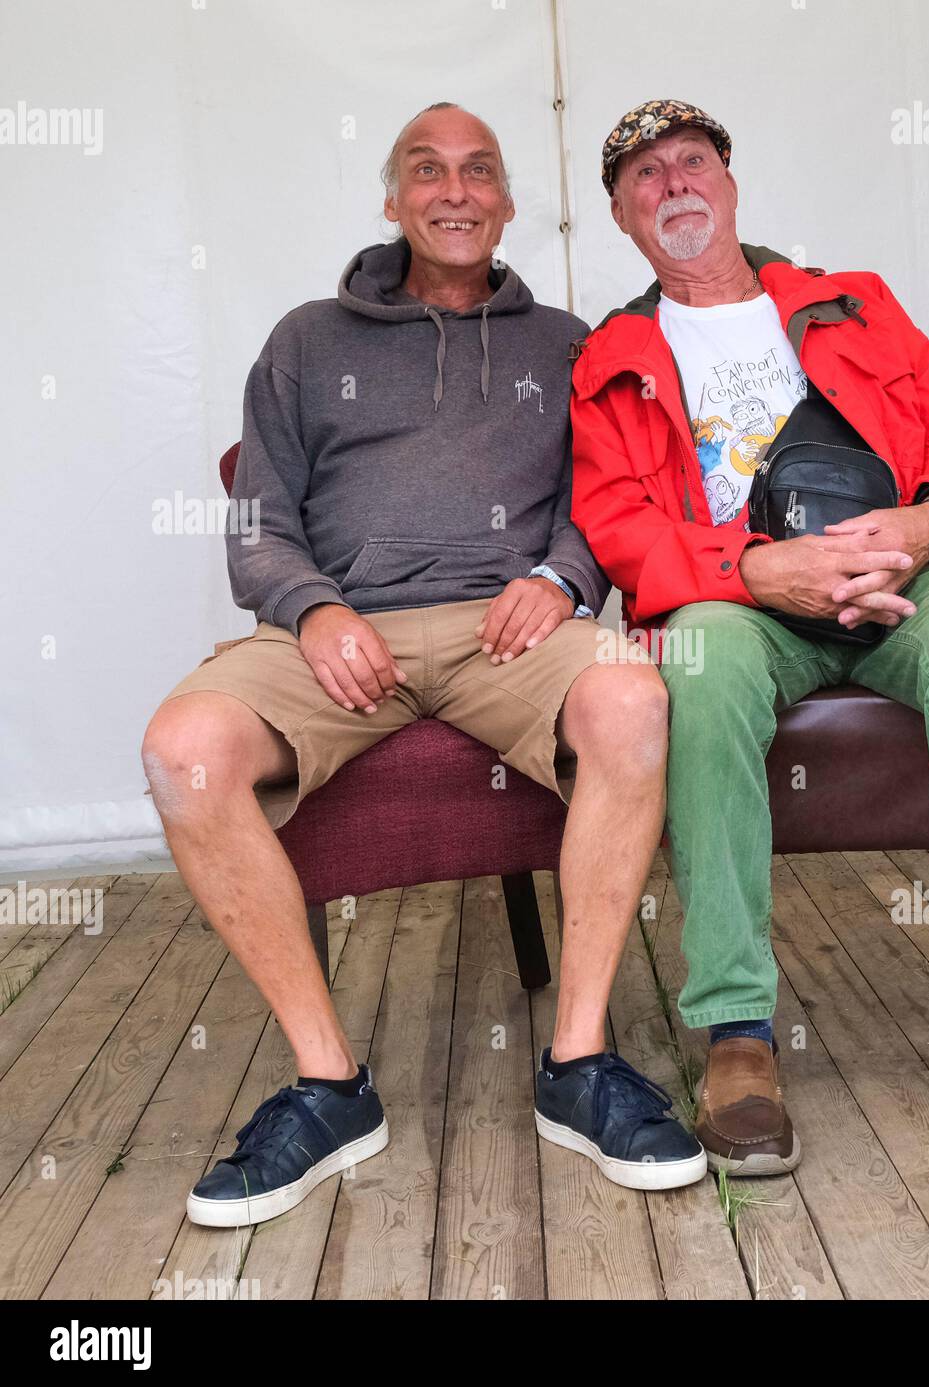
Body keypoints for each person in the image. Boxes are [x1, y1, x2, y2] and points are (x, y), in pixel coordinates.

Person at [141, 103, 706, 1226]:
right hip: (340, 630)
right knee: (184, 752)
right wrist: (309, 611)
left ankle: (579, 1063)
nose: (454, 191)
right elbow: (257, 519)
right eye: (426, 171)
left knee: (634, 701)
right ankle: (329, 1085)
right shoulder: (307, 339)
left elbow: (611, 501)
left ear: (505, 206)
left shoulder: (569, 343)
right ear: (392, 201)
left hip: (515, 632)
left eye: (478, 172)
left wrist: (555, 580)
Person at [568, 98, 929, 1184]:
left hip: (899, 575)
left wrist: (924, 526)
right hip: (741, 599)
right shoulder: (612, 357)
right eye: (645, 177)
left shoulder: (850, 303)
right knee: (702, 664)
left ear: (729, 183)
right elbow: (616, 523)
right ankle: (736, 1031)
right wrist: (754, 568)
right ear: (622, 218)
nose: (674, 184)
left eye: (692, 163)